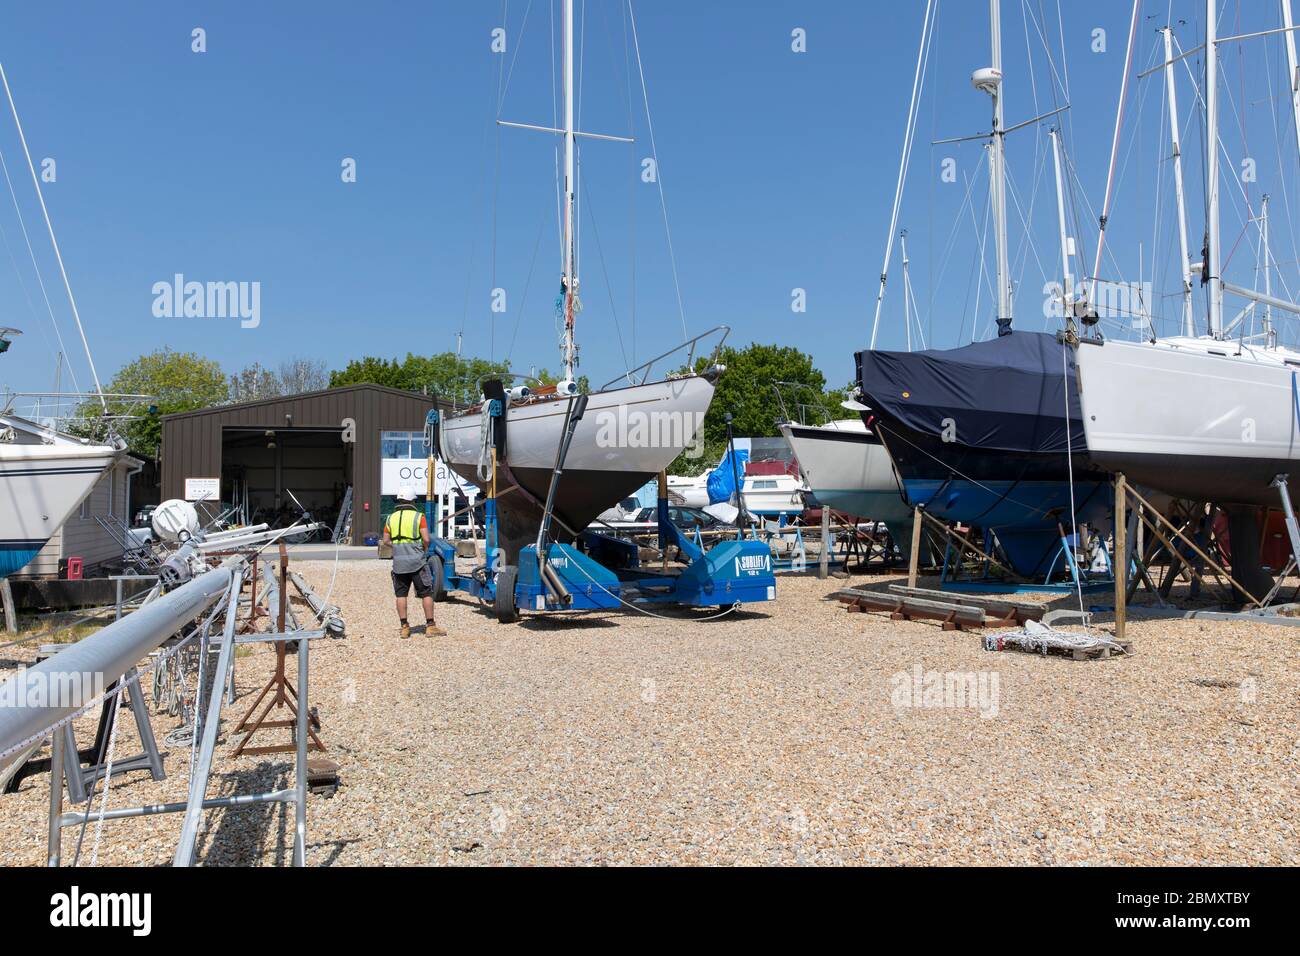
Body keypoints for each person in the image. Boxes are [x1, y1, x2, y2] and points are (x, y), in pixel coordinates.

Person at [383, 485, 445, 639]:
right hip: (417, 563)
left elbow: (386, 541)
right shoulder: (419, 517)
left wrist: (398, 546)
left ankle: (404, 627)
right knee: (426, 593)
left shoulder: (391, 518)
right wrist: (422, 549)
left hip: (399, 565)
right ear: (412, 501)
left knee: (401, 595)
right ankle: (430, 626)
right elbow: (426, 539)